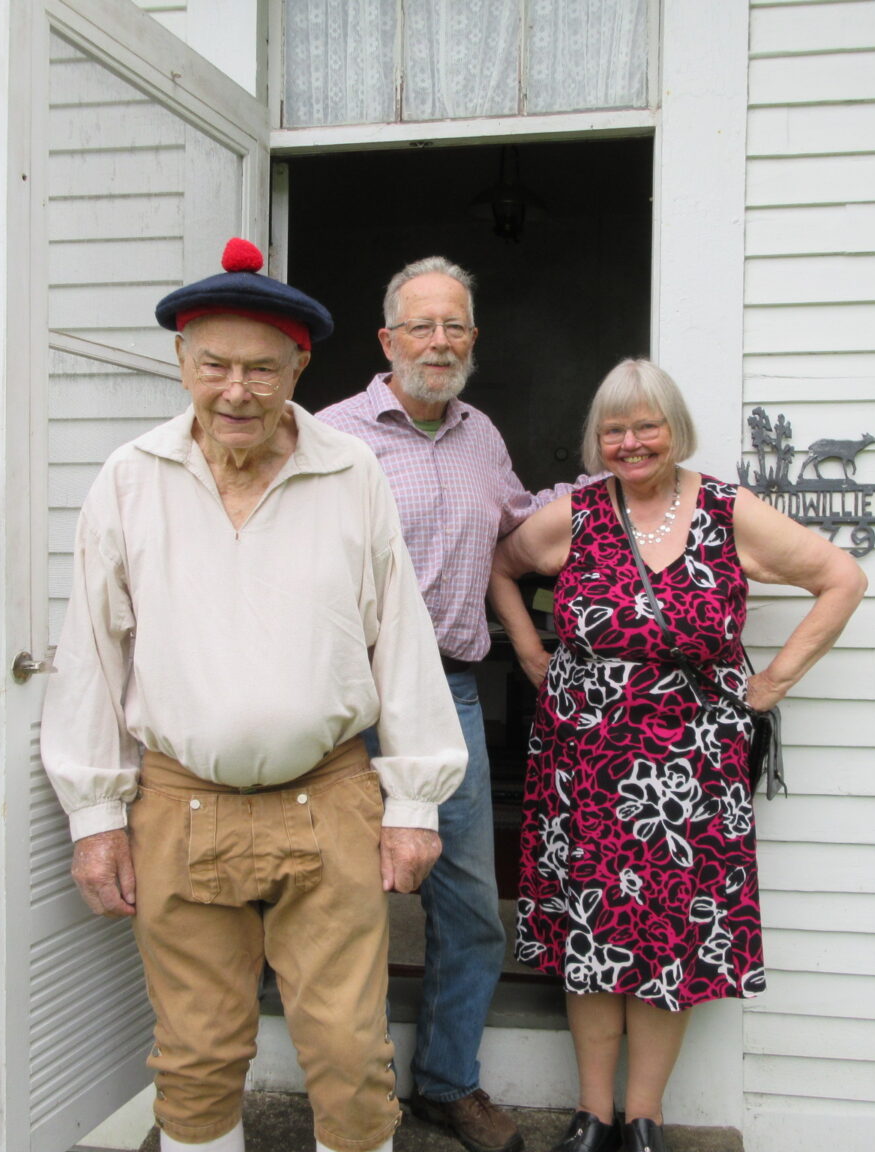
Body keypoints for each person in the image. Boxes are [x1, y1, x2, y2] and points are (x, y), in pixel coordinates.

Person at [39, 238, 466, 1152]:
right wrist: (94, 817)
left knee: (352, 1056)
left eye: (262, 369)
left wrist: (414, 802)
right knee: (194, 1057)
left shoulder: (350, 472)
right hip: (179, 804)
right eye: (215, 367)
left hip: (331, 798)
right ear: (182, 362)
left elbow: (401, 637)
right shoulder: (128, 479)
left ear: (300, 366)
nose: (237, 391)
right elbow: (93, 654)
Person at [488, 360, 866, 1152]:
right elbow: (503, 566)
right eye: (615, 429)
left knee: (671, 937)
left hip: (692, 767)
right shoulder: (577, 513)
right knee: (592, 937)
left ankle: (645, 1119)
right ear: (600, 438)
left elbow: (841, 578)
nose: (630, 442)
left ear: (673, 429)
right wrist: (531, 655)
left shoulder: (729, 512)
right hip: (586, 759)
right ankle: (593, 1115)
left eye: (645, 426)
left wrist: (770, 685)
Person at [318, 256, 576, 1152]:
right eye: (421, 326)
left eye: (455, 326)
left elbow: (517, 528)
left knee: (467, 903)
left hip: (454, 693)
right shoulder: (329, 436)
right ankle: (351, 1092)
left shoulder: (481, 436)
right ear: (387, 340)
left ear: (473, 339)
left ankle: (446, 1082)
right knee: (340, 901)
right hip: (346, 704)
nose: (440, 341)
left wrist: (614, 501)